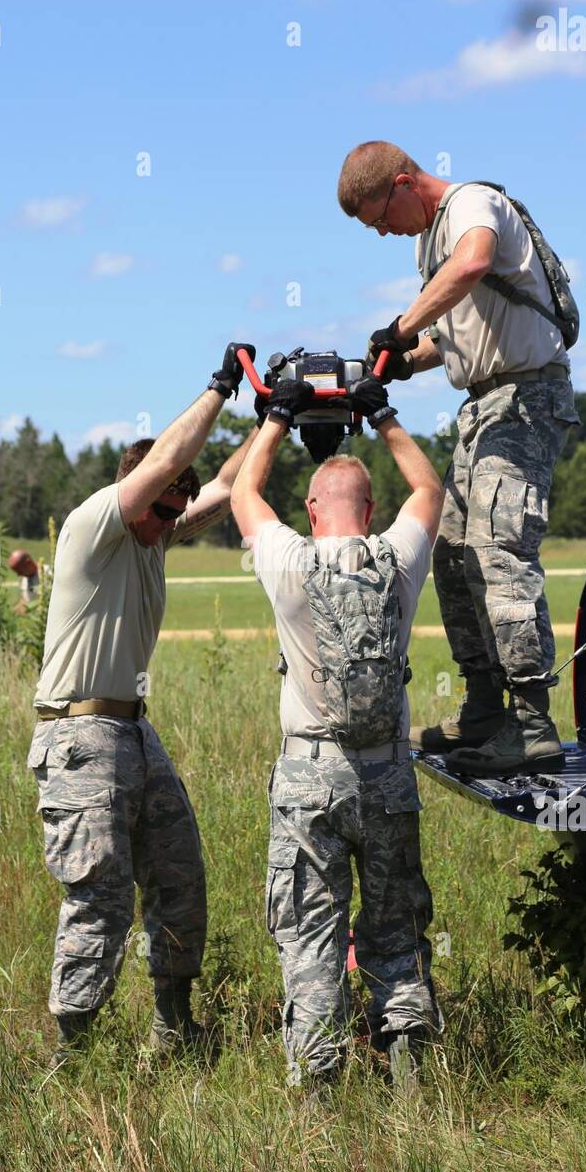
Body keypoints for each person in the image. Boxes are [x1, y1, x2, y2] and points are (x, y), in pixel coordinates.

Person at [27, 344, 256, 1065]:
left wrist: (278, 415)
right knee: (101, 900)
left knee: (179, 871)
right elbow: (167, 466)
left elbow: (222, 484)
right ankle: (75, 1052)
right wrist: (222, 387)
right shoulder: (97, 524)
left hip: (132, 730)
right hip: (79, 733)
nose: (170, 523)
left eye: (173, 513)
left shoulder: (154, 532)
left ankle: (174, 1026)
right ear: (135, 491)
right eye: (161, 510)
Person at [336, 140, 582, 775]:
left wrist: (400, 325)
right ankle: (483, 707)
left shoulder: (474, 204)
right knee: (450, 554)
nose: (384, 232)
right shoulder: (428, 242)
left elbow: (472, 265)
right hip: (480, 404)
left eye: (380, 218)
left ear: (402, 182)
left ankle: (531, 721)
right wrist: (393, 366)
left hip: (526, 397)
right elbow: (448, 339)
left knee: (501, 549)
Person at [230, 374, 445, 1090]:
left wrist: (278, 416)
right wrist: (380, 413)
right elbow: (430, 489)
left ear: (311, 509)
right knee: (395, 933)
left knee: (312, 939)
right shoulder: (398, 561)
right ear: (372, 510)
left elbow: (242, 496)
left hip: (308, 779)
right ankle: (410, 1077)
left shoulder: (289, 563)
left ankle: (318, 1092)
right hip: (386, 775)